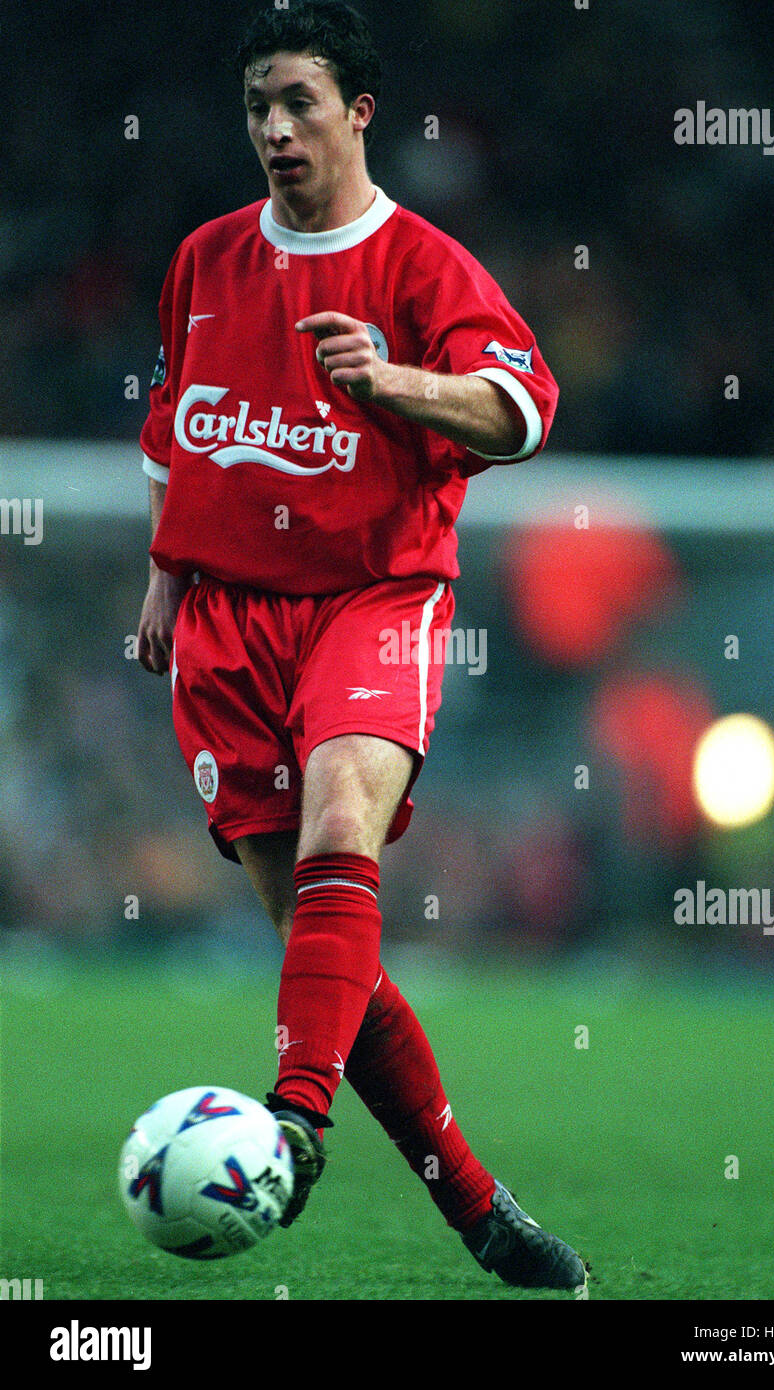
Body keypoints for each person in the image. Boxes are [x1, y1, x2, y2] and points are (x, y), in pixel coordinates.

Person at [137, 0, 585, 1293]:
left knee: (344, 821)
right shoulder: (204, 261)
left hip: (372, 597)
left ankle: (293, 1120)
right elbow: (177, 425)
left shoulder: (423, 265)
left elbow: (516, 412)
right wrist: (167, 570)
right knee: (325, 956)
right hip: (228, 619)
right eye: (257, 108)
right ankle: (481, 1211)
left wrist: (395, 383)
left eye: (299, 104)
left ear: (358, 110)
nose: (275, 130)